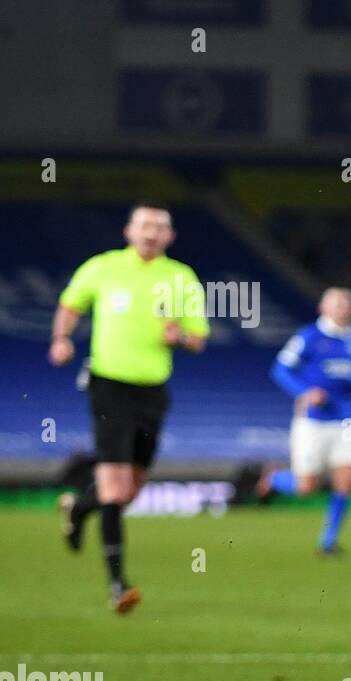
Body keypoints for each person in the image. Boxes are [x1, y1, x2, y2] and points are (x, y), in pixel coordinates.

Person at [50, 201, 209, 613]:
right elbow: (71, 303)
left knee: (129, 490)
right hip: (109, 385)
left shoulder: (181, 277)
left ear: (170, 236)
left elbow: (198, 338)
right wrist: (62, 338)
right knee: (116, 487)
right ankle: (118, 585)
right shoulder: (103, 268)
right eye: (144, 225)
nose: (151, 232)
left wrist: (180, 336)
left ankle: (79, 508)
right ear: (129, 231)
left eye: (159, 227)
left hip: (152, 392)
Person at [257, 288, 351, 555]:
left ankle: (328, 541)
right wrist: (304, 392)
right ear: (323, 308)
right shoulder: (308, 337)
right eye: (337, 303)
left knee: (346, 480)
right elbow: (280, 369)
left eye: (348, 303)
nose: (343, 308)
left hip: (346, 420)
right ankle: (275, 479)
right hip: (313, 421)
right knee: (306, 487)